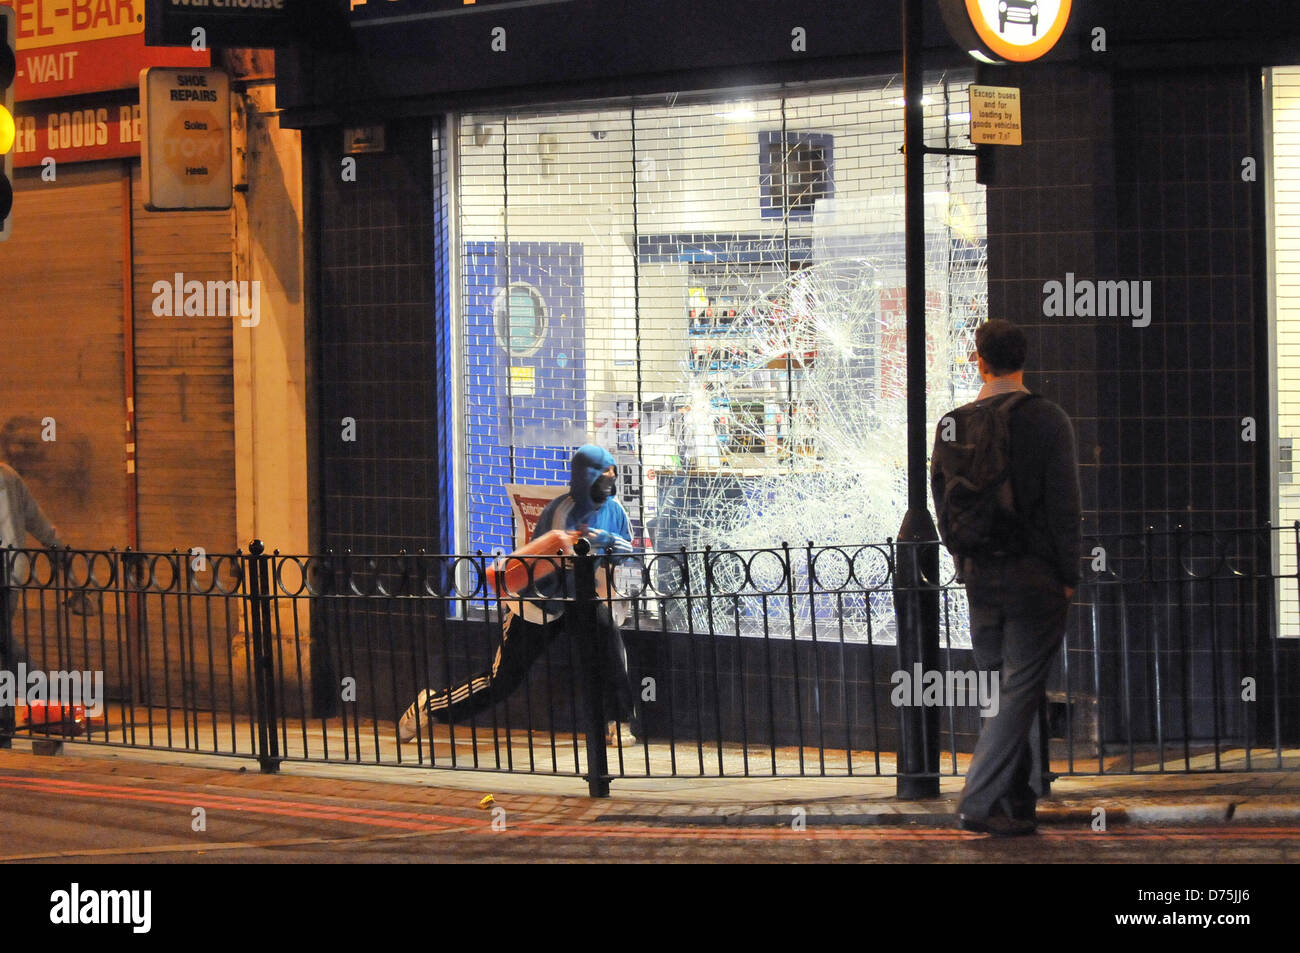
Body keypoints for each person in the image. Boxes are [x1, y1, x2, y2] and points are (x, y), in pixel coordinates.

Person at [930, 319, 1082, 835]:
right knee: (1018, 689)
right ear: (1024, 361)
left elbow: (941, 505)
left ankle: (1015, 802)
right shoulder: (1048, 420)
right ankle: (978, 800)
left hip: (979, 575)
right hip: (1035, 576)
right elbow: (1066, 509)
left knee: (999, 689)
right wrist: (1068, 575)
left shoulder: (952, 424)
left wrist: (962, 560)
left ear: (979, 360)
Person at [398, 444, 642, 747]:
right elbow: (554, 560)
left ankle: (618, 720)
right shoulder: (560, 511)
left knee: (611, 649)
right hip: (538, 601)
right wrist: (582, 546)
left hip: (580, 595)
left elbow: (627, 553)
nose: (610, 478)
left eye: (612, 472)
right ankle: (429, 707)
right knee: (502, 681)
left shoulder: (615, 510)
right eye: (602, 472)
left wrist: (614, 546)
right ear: (585, 476)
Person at [0, 463, 66, 748]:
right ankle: (12, 720)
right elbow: (36, 519)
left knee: (5, 646)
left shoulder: (6, 477)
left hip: (4, 574)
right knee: (4, 646)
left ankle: (40, 701)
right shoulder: (10, 474)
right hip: (10, 574)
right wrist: (58, 548)